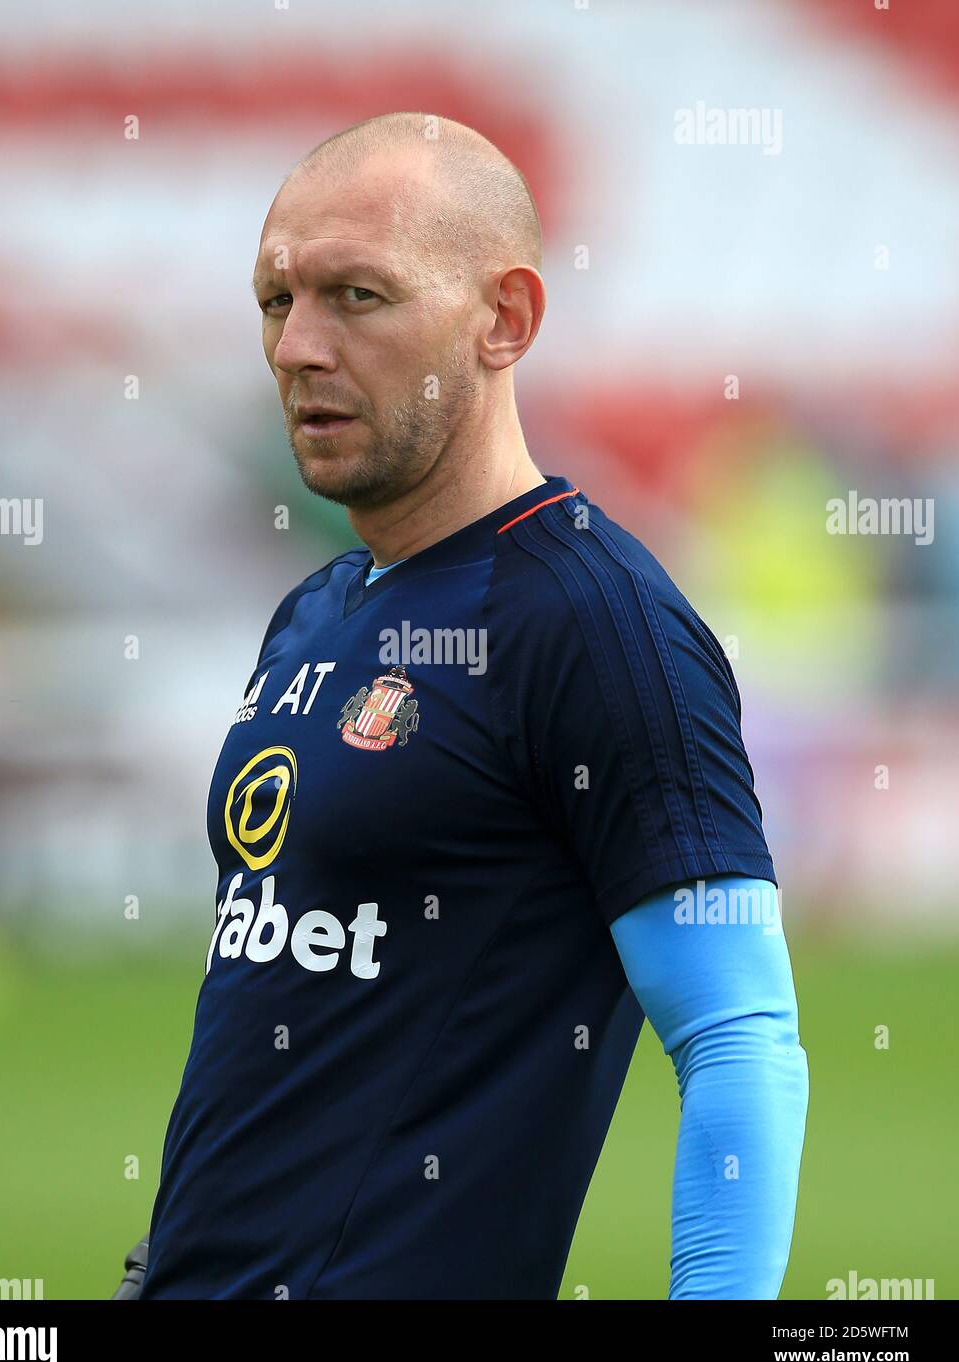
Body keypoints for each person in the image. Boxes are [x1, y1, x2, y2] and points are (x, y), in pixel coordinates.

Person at [119, 112, 807, 1300]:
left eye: (358, 296)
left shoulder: (595, 623)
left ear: (505, 320)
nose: (298, 347)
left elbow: (739, 1037)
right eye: (278, 301)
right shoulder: (315, 612)